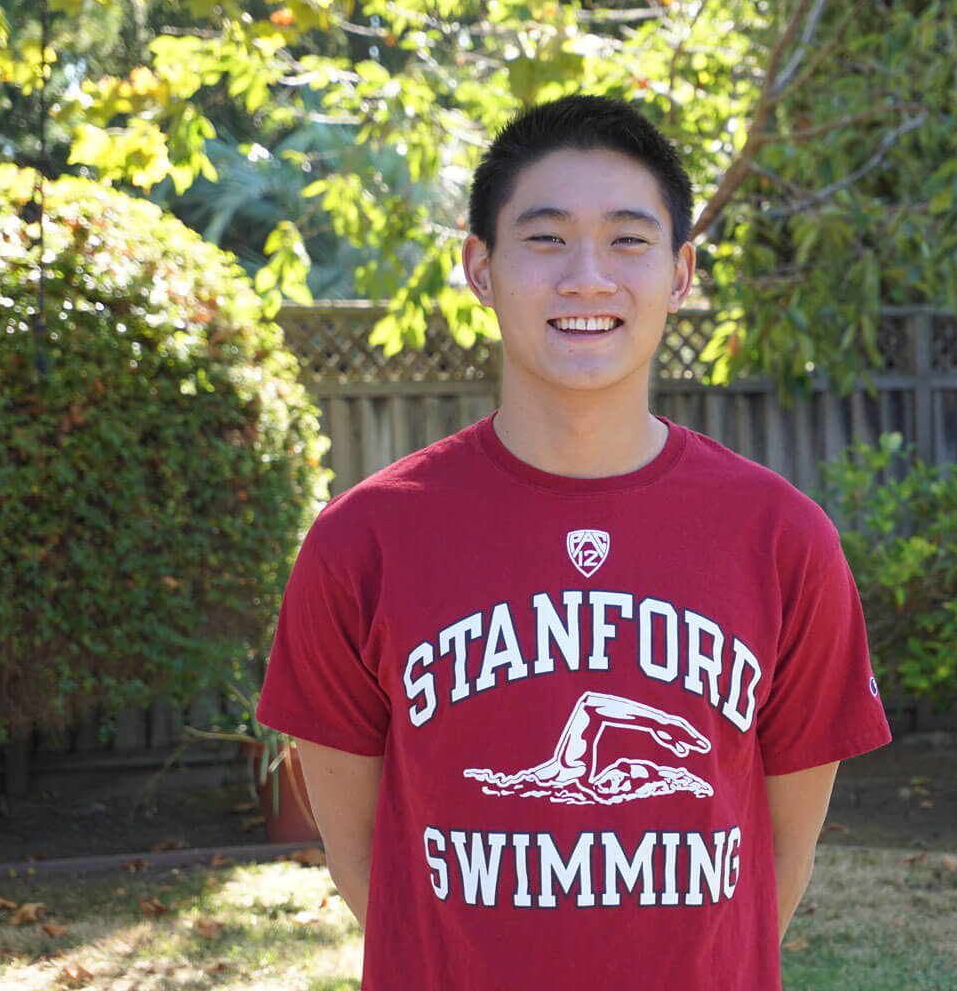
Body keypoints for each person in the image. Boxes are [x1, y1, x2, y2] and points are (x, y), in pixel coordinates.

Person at [257, 94, 892, 990]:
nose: (588, 277)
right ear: (481, 267)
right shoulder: (363, 542)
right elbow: (366, 861)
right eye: (546, 239)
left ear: (679, 273)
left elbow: (780, 855)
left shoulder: (781, 539)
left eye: (629, 240)